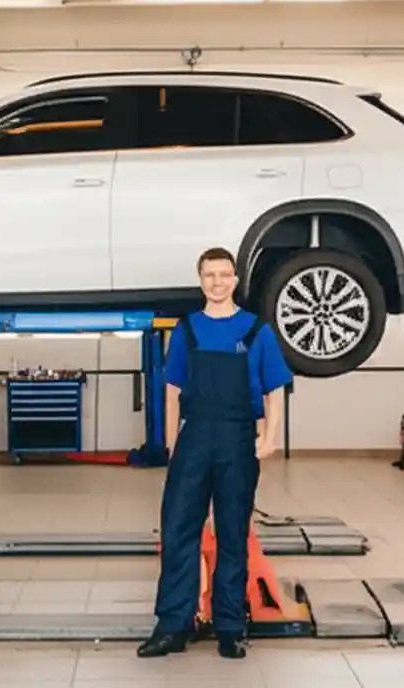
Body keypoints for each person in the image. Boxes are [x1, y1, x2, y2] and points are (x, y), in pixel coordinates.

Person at [136, 246, 293, 660]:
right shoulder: (187, 330)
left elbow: (275, 389)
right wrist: (172, 446)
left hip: (238, 441)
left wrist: (271, 436)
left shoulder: (257, 330)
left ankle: (229, 626)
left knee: (232, 535)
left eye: (225, 275)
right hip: (195, 438)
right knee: (178, 532)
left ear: (235, 280)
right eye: (210, 275)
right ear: (201, 279)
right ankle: (173, 625)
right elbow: (171, 391)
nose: (218, 282)